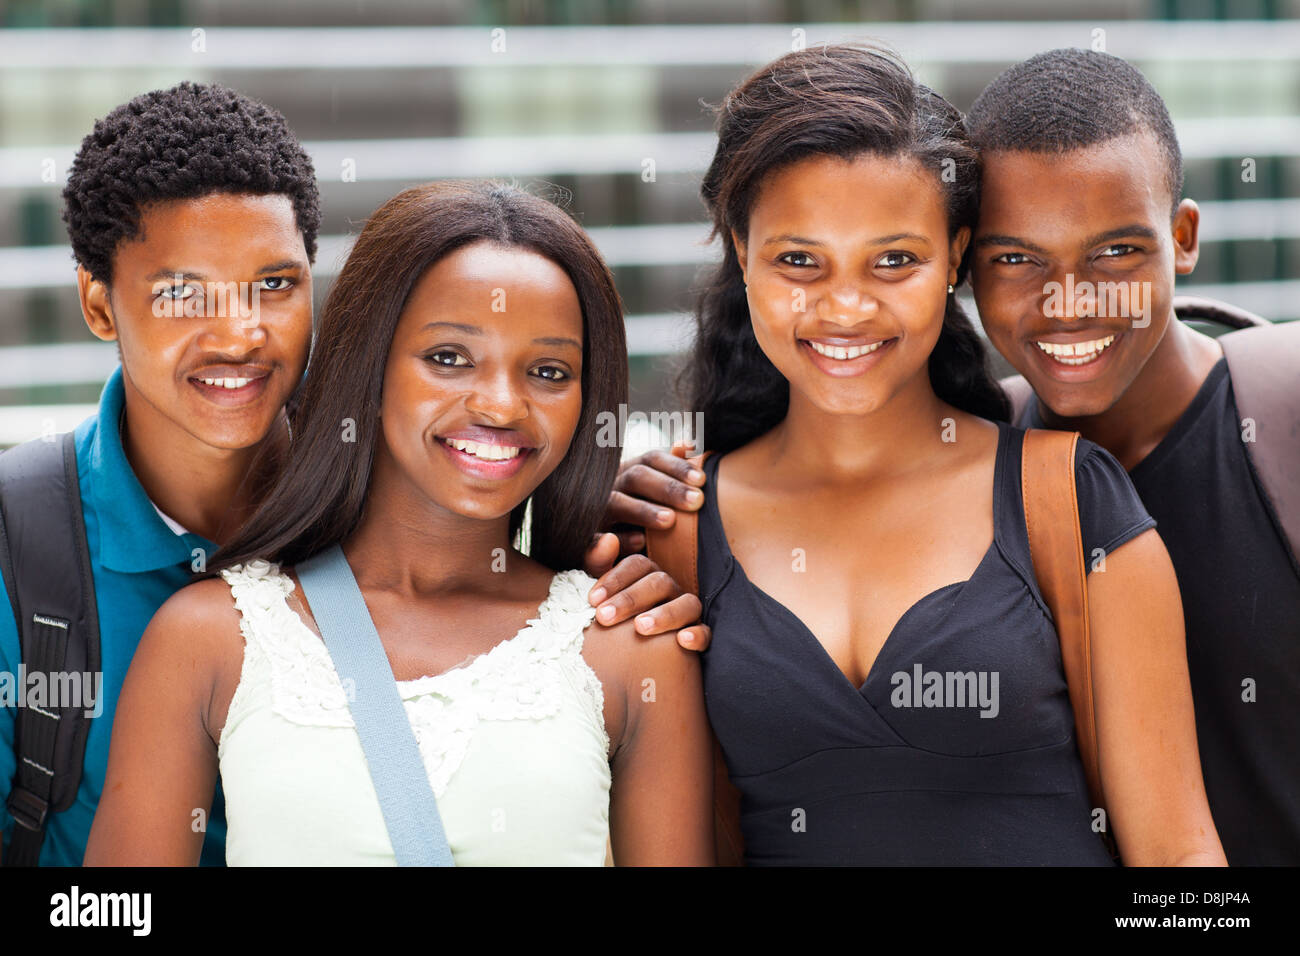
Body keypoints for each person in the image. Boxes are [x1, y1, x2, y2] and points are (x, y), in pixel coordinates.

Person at [0, 83, 707, 867]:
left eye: (275, 284)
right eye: (183, 293)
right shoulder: (41, 552)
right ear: (98, 307)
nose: (240, 334)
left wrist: (600, 537)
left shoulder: (603, 621)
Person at [617, 43, 1223, 865]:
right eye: (799, 261)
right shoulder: (677, 530)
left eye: (894, 259)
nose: (847, 308)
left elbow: (1183, 868)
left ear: (955, 258)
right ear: (740, 252)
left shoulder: (1070, 502)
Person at [963, 48, 1299, 866]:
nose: (1071, 302)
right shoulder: (964, 461)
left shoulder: (1284, 414)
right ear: (966, 268)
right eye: (1017, 260)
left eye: (1115, 253)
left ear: (1182, 239)